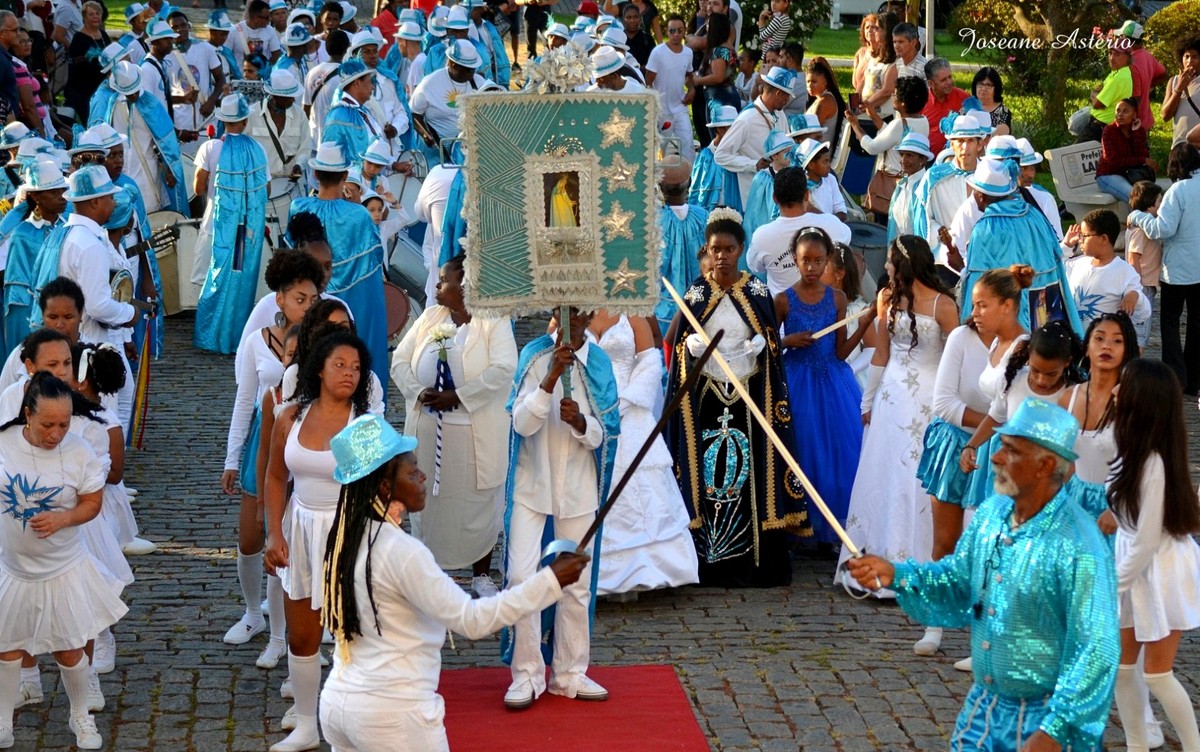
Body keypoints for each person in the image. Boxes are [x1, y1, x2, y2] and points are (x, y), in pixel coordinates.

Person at [846, 397, 1120, 752]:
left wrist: (1054, 731)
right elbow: (959, 583)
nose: (995, 456)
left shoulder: (1081, 546)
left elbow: (1096, 651)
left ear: (1045, 465)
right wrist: (896, 575)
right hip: (984, 713)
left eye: (1010, 450)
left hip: (1048, 723)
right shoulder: (992, 514)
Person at [315, 414, 587, 752]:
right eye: (411, 471)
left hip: (338, 706)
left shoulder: (342, 539)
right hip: (393, 715)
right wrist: (549, 581)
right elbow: (471, 620)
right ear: (385, 487)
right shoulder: (402, 551)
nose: (422, 475)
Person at [665, 208, 809, 588]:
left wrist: (764, 345)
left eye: (729, 249)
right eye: (716, 249)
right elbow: (678, 344)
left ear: (741, 249)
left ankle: (754, 560)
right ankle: (708, 559)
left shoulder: (757, 291)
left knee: (749, 478)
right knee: (709, 478)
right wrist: (689, 349)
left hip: (749, 395)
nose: (722, 256)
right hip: (708, 396)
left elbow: (770, 342)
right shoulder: (696, 292)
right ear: (708, 251)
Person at [501, 306, 620, 708]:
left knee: (577, 584)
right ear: (553, 311)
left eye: (579, 311)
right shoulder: (534, 355)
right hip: (530, 485)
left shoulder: (599, 363)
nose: (571, 318)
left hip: (579, 488)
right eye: (563, 310)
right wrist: (550, 379)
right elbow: (520, 424)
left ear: (589, 314)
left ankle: (570, 673)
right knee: (521, 576)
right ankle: (527, 674)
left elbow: (607, 433)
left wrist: (583, 423)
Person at [0, 373, 123, 751]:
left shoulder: (79, 452)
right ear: (27, 415)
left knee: (70, 648)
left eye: (64, 425)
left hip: (63, 568)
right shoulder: (3, 443)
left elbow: (92, 503)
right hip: (14, 569)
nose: (56, 434)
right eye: (47, 424)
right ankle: (3, 720)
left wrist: (62, 518)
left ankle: (80, 715)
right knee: (7, 647)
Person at [264, 330, 372, 752]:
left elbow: (375, 491)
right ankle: (307, 726)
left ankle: (356, 725)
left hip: (348, 533)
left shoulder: (362, 425)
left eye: (356, 368)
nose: (349, 373)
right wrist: (275, 532)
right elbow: (276, 477)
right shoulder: (289, 416)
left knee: (353, 638)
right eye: (340, 365)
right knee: (302, 637)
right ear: (320, 369)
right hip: (300, 529)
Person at [391, 254, 517, 597]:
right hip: (429, 429)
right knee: (428, 499)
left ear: (466, 286)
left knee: (477, 501)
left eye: (444, 280)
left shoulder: (494, 320)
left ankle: (480, 575)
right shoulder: (431, 316)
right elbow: (400, 360)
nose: (436, 285)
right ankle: (428, 573)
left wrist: (458, 396)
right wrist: (420, 392)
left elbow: (504, 369)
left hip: (474, 431)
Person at [838, 235, 956, 596]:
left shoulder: (944, 305)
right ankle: (878, 558)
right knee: (885, 471)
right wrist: (867, 400)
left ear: (904, 263)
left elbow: (955, 358)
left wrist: (951, 404)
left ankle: (920, 563)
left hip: (929, 397)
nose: (885, 267)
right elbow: (880, 354)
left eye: (889, 261)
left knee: (918, 475)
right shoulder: (886, 298)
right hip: (892, 396)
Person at [221, 251, 323, 656]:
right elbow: (243, 401)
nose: (307, 306)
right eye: (300, 298)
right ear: (279, 299)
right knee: (250, 537)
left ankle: (290, 630)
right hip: (263, 446)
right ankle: (252, 612)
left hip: (309, 446)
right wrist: (232, 459)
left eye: (313, 299)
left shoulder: (322, 344)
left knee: (289, 541)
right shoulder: (255, 342)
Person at [1107, 358, 1200, 752]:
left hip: (1160, 569)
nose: (1113, 389)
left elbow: (1146, 540)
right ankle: (1136, 745)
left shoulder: (1154, 463)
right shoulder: (1128, 447)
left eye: (1122, 385)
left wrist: (1113, 585)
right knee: (1123, 669)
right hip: (1134, 564)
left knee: (1157, 674)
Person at [775, 227, 871, 553]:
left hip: (833, 384)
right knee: (801, 452)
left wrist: (867, 324)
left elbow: (841, 351)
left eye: (818, 261)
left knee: (836, 455)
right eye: (806, 261)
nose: (812, 268)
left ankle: (831, 529)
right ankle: (798, 525)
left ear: (828, 260)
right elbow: (766, 343)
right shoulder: (783, 300)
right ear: (795, 261)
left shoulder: (839, 299)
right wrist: (788, 341)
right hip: (797, 382)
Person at [288, 142, 388, 394]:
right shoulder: (359, 215)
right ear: (345, 176)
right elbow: (374, 263)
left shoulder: (299, 207)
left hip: (308, 298)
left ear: (316, 175)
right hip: (354, 302)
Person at [956, 158, 1083, 337]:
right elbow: (1056, 264)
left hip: (1007, 317)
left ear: (981, 196)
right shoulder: (1034, 215)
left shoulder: (984, 229)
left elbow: (978, 282)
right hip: (1044, 309)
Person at [192, 94, 270, 355]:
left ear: (222, 120)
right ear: (245, 121)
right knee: (240, 277)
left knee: (213, 276)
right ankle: (235, 336)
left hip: (217, 224)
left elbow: (198, 186)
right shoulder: (257, 150)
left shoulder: (211, 148)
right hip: (246, 231)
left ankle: (209, 336)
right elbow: (265, 189)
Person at [1124, 143, 1200, 394]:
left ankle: (1176, 377)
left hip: (1178, 271)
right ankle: (1195, 378)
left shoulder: (1177, 190)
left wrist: (1136, 215)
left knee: (1170, 323)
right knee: (1196, 323)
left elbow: (1162, 229)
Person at [88, 61, 189, 217]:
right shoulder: (111, 106)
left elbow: (164, 142)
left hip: (149, 172)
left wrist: (168, 168)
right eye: (129, 93)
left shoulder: (151, 103)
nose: (134, 95)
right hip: (122, 172)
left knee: (152, 213)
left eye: (135, 91)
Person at [746, 167, 850, 296]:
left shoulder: (761, 236)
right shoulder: (830, 223)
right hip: (823, 309)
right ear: (807, 195)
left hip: (780, 312)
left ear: (775, 198)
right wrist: (814, 210)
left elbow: (755, 267)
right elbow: (846, 238)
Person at [914, 110, 989, 279]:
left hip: (987, 256)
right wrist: (939, 233)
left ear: (979, 145)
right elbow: (922, 218)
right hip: (946, 258)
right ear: (951, 144)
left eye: (970, 141)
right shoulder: (934, 178)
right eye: (960, 141)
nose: (965, 147)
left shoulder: (991, 177)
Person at [3, 161, 67, 352]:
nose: (62, 197)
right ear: (36, 196)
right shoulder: (22, 234)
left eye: (62, 191)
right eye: (54, 192)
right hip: (33, 313)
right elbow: (18, 290)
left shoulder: (68, 226)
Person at [714, 65, 795, 206]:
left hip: (776, 190)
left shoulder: (780, 115)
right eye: (786, 95)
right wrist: (753, 164)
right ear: (777, 93)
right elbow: (720, 155)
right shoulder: (747, 119)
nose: (788, 100)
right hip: (750, 194)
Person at [1065, 208, 1150, 333]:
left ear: (1104, 239)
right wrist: (1066, 246)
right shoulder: (1077, 264)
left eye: (1085, 235)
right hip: (1074, 343)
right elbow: (1053, 266)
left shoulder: (1124, 271)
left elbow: (1144, 312)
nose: (1079, 240)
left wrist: (1135, 296)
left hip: (1102, 344)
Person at [656, 160, 707, 334]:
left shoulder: (654, 219)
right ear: (690, 183)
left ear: (659, 187)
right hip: (700, 303)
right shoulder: (703, 216)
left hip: (663, 309)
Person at [646, 15, 696, 162]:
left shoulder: (688, 53)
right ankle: (669, 181)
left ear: (684, 32)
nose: (676, 34)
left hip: (680, 107)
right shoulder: (658, 52)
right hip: (662, 111)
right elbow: (648, 82)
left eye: (680, 31)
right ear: (667, 32)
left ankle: (689, 179)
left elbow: (689, 76)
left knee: (687, 144)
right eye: (672, 30)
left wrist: (692, 90)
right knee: (665, 150)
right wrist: (651, 107)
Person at [168, 12, 226, 137]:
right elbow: (162, 95)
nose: (180, 29)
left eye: (183, 25)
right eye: (175, 27)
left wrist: (211, 101)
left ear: (189, 26)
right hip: (179, 123)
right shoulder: (165, 55)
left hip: (206, 119)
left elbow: (221, 79)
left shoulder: (205, 48)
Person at [250, 69, 312, 183]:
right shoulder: (252, 114)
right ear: (275, 96)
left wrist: (299, 165)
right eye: (289, 97)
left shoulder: (300, 115)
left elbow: (306, 147)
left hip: (291, 183)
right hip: (260, 183)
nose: (294, 100)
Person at [690, 12, 738, 150]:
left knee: (719, 142)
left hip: (720, 98)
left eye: (709, 25)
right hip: (725, 96)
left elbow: (718, 77)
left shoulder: (719, 50)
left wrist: (698, 80)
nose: (707, 28)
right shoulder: (729, 47)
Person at [1095, 97, 1156, 204]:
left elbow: (1143, 153)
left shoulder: (1139, 130)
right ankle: (1137, 221)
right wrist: (1143, 160)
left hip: (1130, 175)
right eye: (1118, 111)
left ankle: (1135, 220)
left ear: (1135, 115)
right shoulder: (1109, 131)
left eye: (1125, 111)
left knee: (1149, 195)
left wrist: (1136, 133)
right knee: (1135, 197)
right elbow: (1113, 161)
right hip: (1108, 175)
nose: (1120, 114)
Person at [1113, 21, 1168, 130]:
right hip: (1146, 120)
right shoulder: (1146, 55)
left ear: (1127, 41)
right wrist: (1147, 87)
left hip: (1133, 125)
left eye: (1121, 37)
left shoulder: (1131, 65)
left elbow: (1134, 100)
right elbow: (1164, 74)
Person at [62, 1, 109, 125]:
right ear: (84, 17)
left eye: (97, 13)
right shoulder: (79, 39)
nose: (95, 17)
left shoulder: (103, 35)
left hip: (103, 85)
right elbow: (78, 68)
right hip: (85, 91)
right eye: (91, 14)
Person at [741, 130, 792, 241]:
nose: (790, 154)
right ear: (774, 155)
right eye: (785, 152)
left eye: (791, 151)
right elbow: (753, 212)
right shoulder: (762, 178)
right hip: (766, 225)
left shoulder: (794, 174)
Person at [688, 103, 741, 210]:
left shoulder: (740, 153)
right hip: (710, 216)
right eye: (732, 129)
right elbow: (696, 190)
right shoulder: (705, 156)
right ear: (720, 129)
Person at [1079, 42, 1134, 144]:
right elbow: (1099, 92)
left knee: (1073, 155)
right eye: (1110, 53)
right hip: (1105, 127)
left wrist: (1094, 94)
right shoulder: (1119, 72)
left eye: (1117, 54)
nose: (1112, 58)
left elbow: (1097, 104)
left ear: (1126, 57)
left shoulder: (1119, 77)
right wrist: (1097, 94)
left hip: (1100, 127)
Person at [887, 132, 932, 241]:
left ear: (923, 160)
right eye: (902, 154)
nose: (903, 160)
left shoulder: (928, 187)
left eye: (909, 155)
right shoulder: (902, 185)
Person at [920, 57, 968, 156]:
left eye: (950, 77)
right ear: (930, 83)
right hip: (928, 159)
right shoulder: (921, 102)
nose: (949, 82)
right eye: (943, 80)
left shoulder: (964, 98)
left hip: (957, 158)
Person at [1126, 180, 1164, 302]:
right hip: (1143, 285)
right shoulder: (1140, 230)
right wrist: (1137, 286)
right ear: (1149, 204)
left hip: (1148, 283)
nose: (1162, 204)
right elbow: (1133, 258)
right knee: (1143, 318)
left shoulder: (1146, 226)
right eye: (1160, 201)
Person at [1160, 37, 1200, 147]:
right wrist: (1179, 88)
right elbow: (1165, 116)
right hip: (1179, 148)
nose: (1189, 61)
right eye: (1186, 56)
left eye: (1194, 57)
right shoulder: (1173, 81)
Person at [804, 57, 844, 152]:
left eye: (814, 82)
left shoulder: (825, 101)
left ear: (825, 81)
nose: (809, 86)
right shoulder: (820, 99)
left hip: (818, 155)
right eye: (808, 81)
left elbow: (812, 133)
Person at [971, 67, 1010, 137]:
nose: (983, 89)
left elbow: (1002, 133)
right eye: (980, 84)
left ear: (996, 88)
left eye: (988, 85)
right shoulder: (966, 109)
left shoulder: (1002, 111)